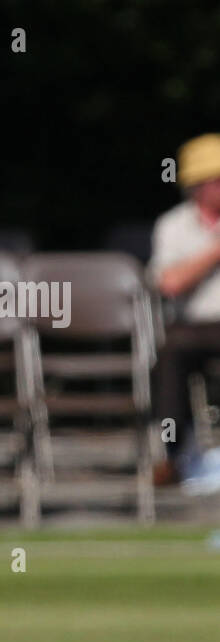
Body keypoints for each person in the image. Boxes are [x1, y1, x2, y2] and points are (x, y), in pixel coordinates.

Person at [150, 133, 220, 486]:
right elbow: (171, 283)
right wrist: (214, 251)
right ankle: (172, 456)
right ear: (197, 185)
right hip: (191, 327)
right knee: (170, 356)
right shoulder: (172, 226)